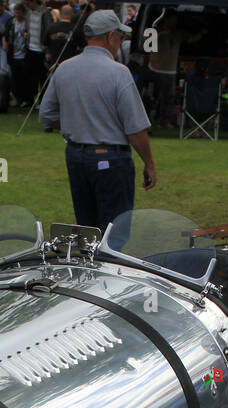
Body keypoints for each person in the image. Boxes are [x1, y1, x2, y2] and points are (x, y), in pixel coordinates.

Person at [39, 9, 155, 244]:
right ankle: (106, 275)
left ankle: (87, 276)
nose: (119, 43)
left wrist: (74, 122)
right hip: (111, 158)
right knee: (114, 235)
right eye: (120, 38)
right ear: (111, 36)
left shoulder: (64, 68)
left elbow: (47, 114)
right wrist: (149, 164)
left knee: (86, 231)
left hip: (75, 156)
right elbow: (135, 129)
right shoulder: (119, 73)